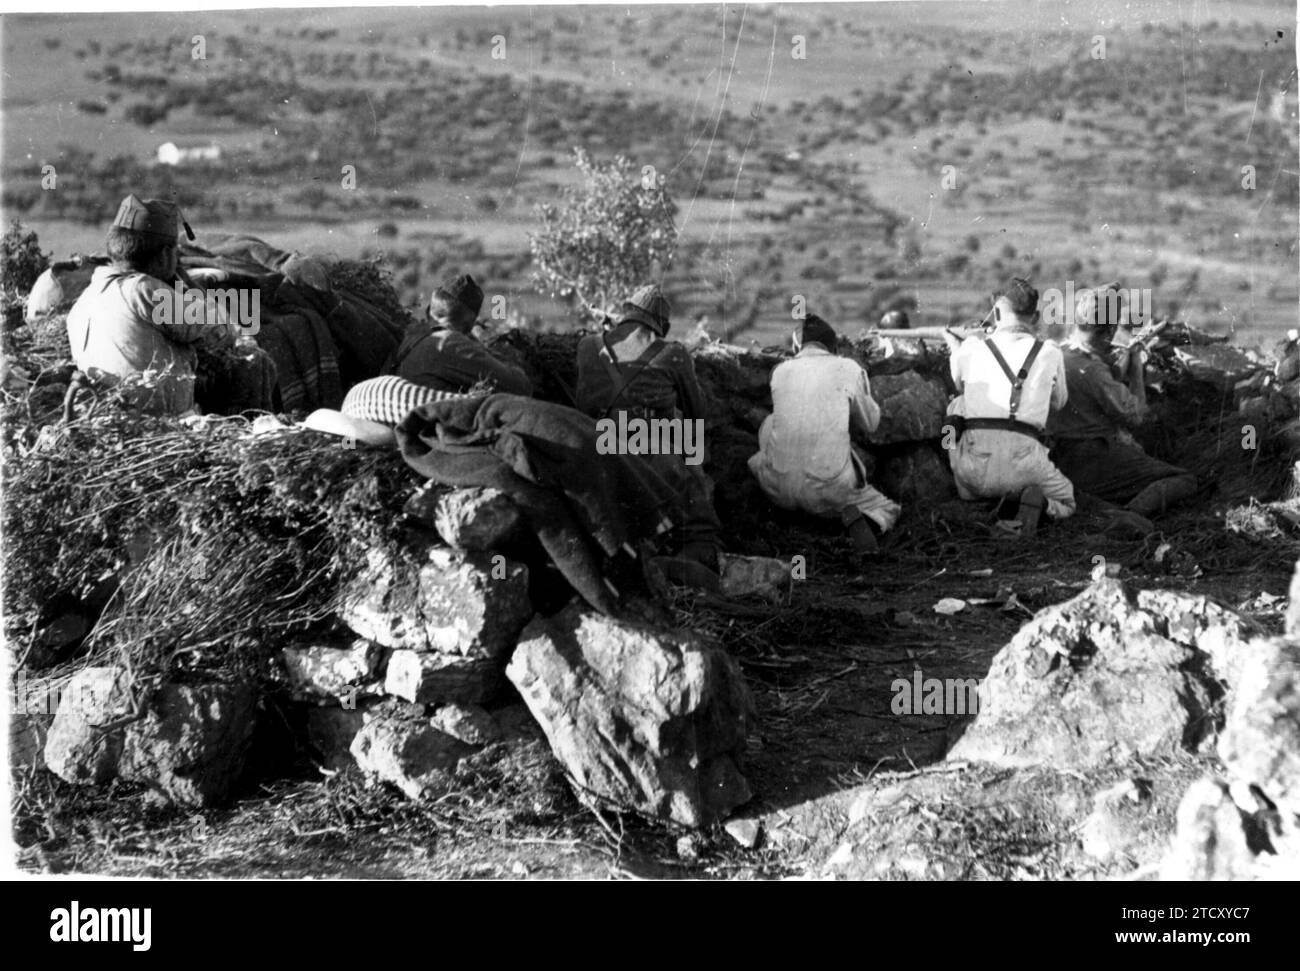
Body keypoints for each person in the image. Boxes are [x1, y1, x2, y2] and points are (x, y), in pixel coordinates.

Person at [65, 194, 277, 417]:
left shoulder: (82, 303)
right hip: (157, 420)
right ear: (165, 254)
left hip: (108, 413)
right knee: (253, 362)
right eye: (174, 252)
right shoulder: (143, 289)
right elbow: (216, 331)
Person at [574, 284, 721, 586]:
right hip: (650, 453)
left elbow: (582, 406)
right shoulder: (674, 352)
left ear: (626, 314)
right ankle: (696, 557)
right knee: (701, 523)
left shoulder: (587, 346)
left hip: (601, 452)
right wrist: (695, 467)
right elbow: (696, 415)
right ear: (661, 326)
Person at [1047, 287, 1197, 531]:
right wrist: (1136, 368)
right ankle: (1127, 517)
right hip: (1091, 457)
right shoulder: (1095, 371)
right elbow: (1138, 417)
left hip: (1057, 459)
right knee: (1184, 480)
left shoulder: (1055, 352)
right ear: (1108, 332)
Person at [748, 313, 901, 553]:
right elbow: (871, 423)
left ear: (798, 347)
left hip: (776, 488)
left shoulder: (780, 371)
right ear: (833, 347)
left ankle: (788, 512)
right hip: (829, 491)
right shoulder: (848, 368)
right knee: (887, 508)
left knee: (768, 431)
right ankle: (865, 522)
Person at [944, 277, 1075, 538]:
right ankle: (1041, 505)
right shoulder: (1050, 351)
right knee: (1068, 501)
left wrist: (955, 347)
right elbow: (1059, 402)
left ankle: (971, 496)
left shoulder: (971, 349)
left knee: (956, 405)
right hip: (1027, 467)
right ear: (1036, 316)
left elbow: (960, 385)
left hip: (974, 471)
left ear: (997, 312)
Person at [383, 273, 532, 397]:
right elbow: (521, 387)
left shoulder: (411, 336)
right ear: (469, 323)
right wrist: (490, 345)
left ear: (429, 311)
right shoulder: (450, 343)